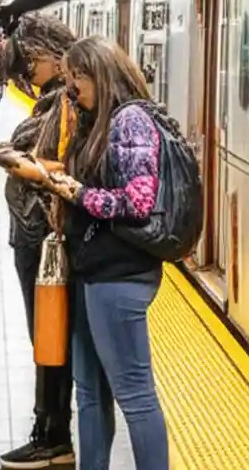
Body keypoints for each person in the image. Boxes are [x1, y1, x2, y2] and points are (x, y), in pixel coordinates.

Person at [42, 36, 169, 470]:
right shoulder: (97, 118)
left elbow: (138, 202)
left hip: (120, 275)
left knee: (134, 393)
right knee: (89, 389)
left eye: (76, 78)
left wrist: (76, 193)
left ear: (100, 74)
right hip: (93, 271)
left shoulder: (130, 121)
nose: (72, 89)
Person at [0, 13, 79, 469]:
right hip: (38, 235)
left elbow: (25, 154)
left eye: (27, 68)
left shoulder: (59, 102)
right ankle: (50, 429)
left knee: (47, 335)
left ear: (45, 57)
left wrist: (12, 157)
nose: (25, 79)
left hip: (41, 237)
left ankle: (51, 435)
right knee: (48, 335)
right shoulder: (63, 98)